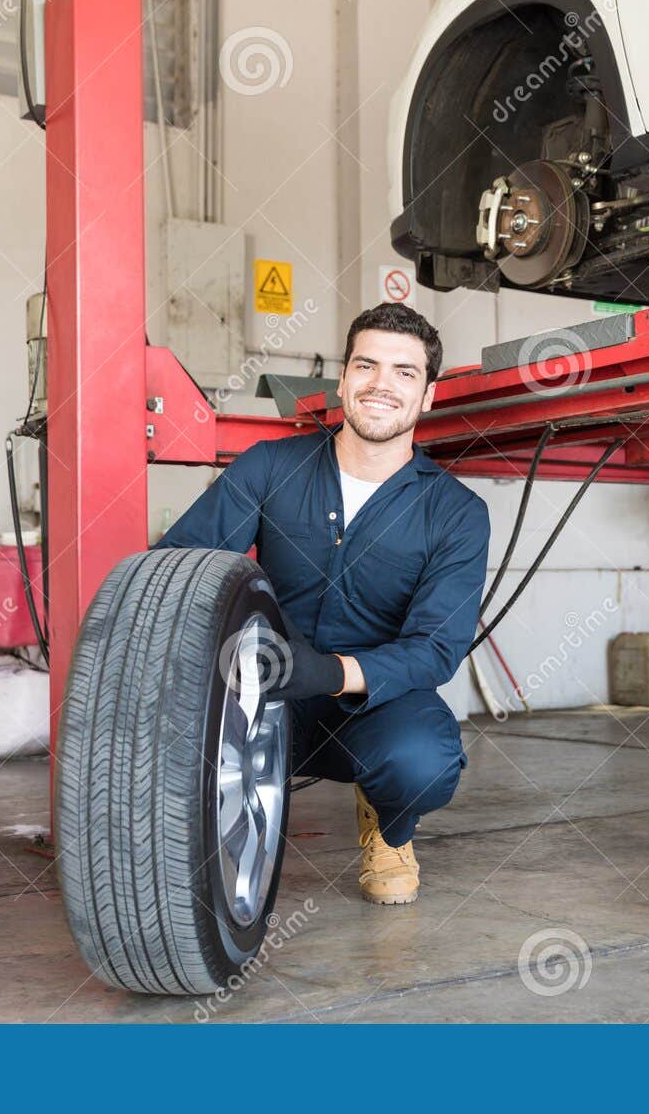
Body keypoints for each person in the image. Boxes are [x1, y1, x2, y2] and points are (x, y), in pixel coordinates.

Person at [156, 303, 491, 905]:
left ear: (428, 395)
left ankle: (390, 829)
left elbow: (435, 650)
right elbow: (181, 565)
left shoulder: (457, 513)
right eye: (367, 365)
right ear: (342, 380)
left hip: (365, 713)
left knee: (423, 762)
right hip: (258, 693)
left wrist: (330, 672)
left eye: (404, 372)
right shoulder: (270, 466)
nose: (382, 384)